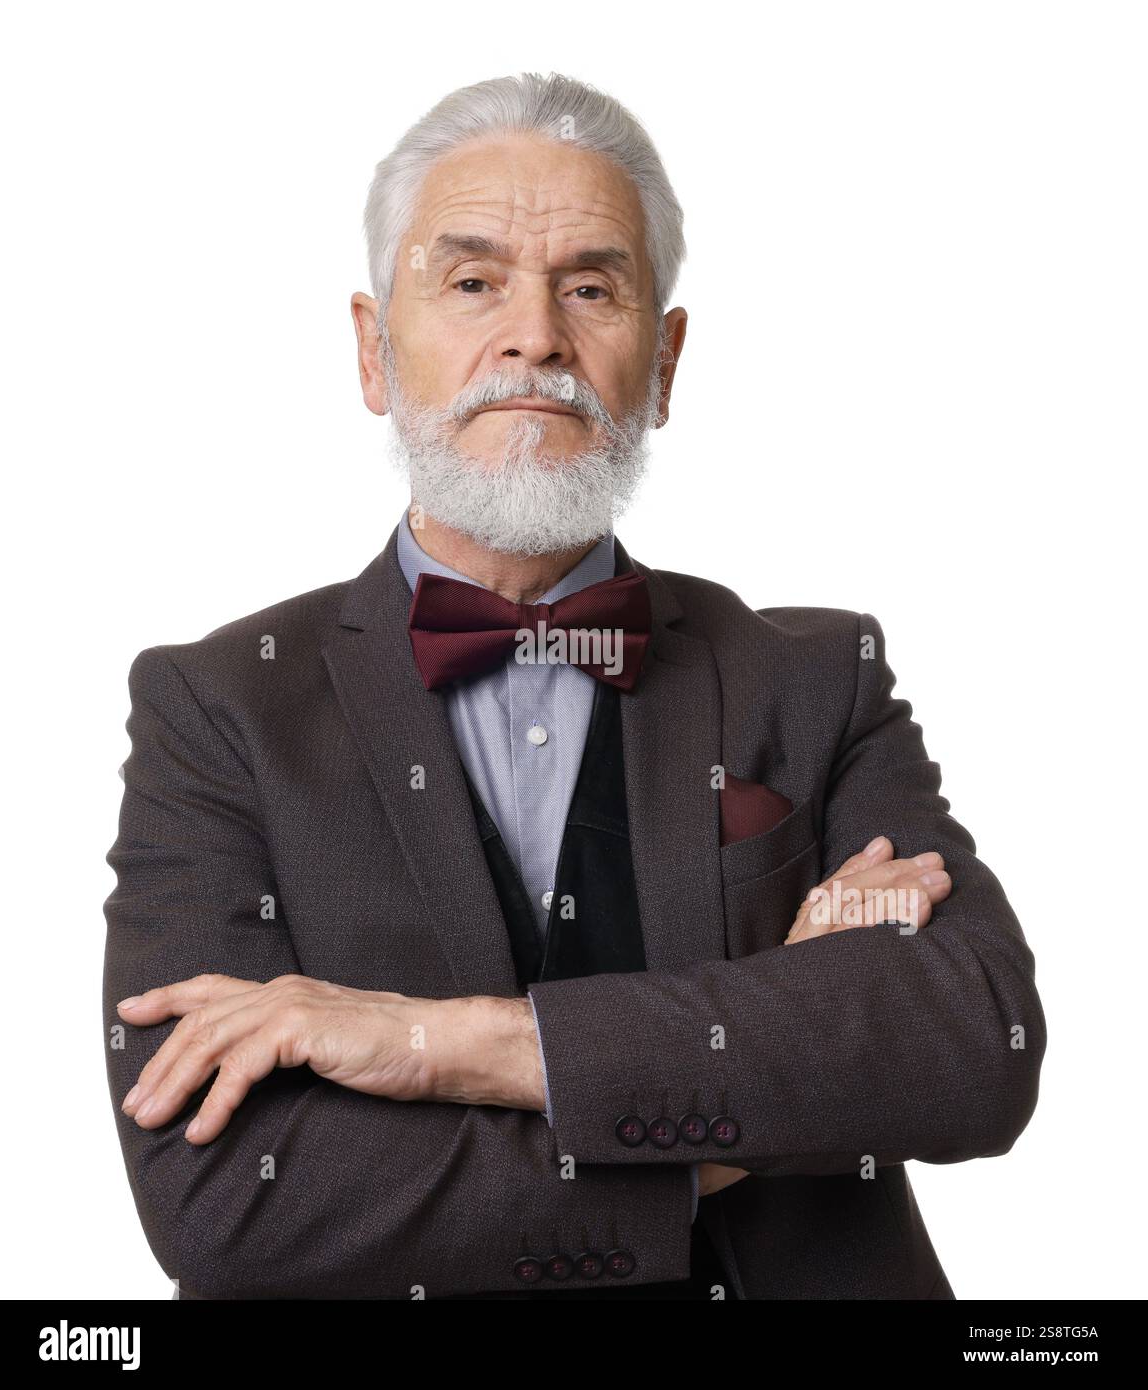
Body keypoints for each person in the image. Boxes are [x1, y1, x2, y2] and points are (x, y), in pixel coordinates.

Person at [103, 71, 1045, 1300]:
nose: (536, 337)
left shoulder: (818, 677)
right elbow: (225, 1201)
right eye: (474, 281)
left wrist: (445, 1044)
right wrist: (741, 1099)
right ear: (373, 349)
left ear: (662, 360)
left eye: (590, 287)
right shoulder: (217, 709)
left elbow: (973, 1043)